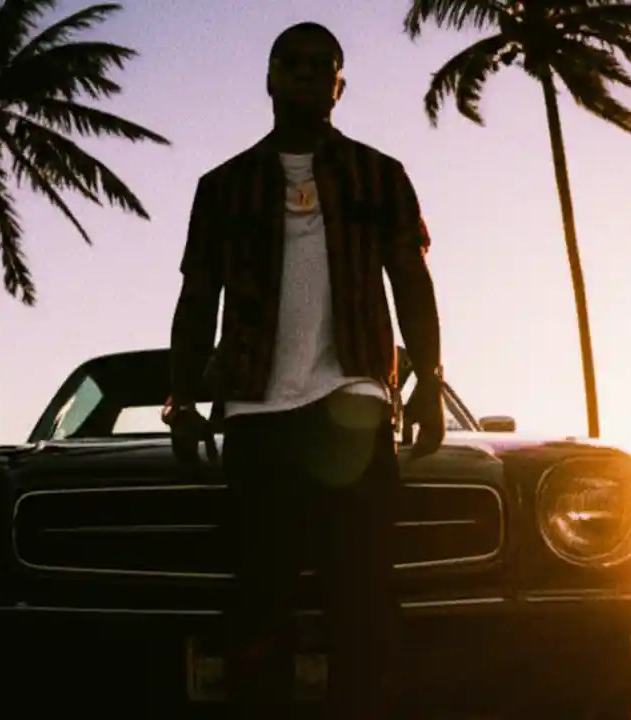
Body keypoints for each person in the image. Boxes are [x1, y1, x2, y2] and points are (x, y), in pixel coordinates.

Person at [164, 21, 445, 718]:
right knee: (260, 604)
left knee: (364, 604)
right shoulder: (222, 187)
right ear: (268, 77)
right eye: (292, 62)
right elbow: (198, 297)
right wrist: (183, 399)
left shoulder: (380, 175)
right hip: (258, 418)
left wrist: (430, 382)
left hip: (353, 408)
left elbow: (410, 280)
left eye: (324, 65)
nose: (307, 74)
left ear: (339, 86)